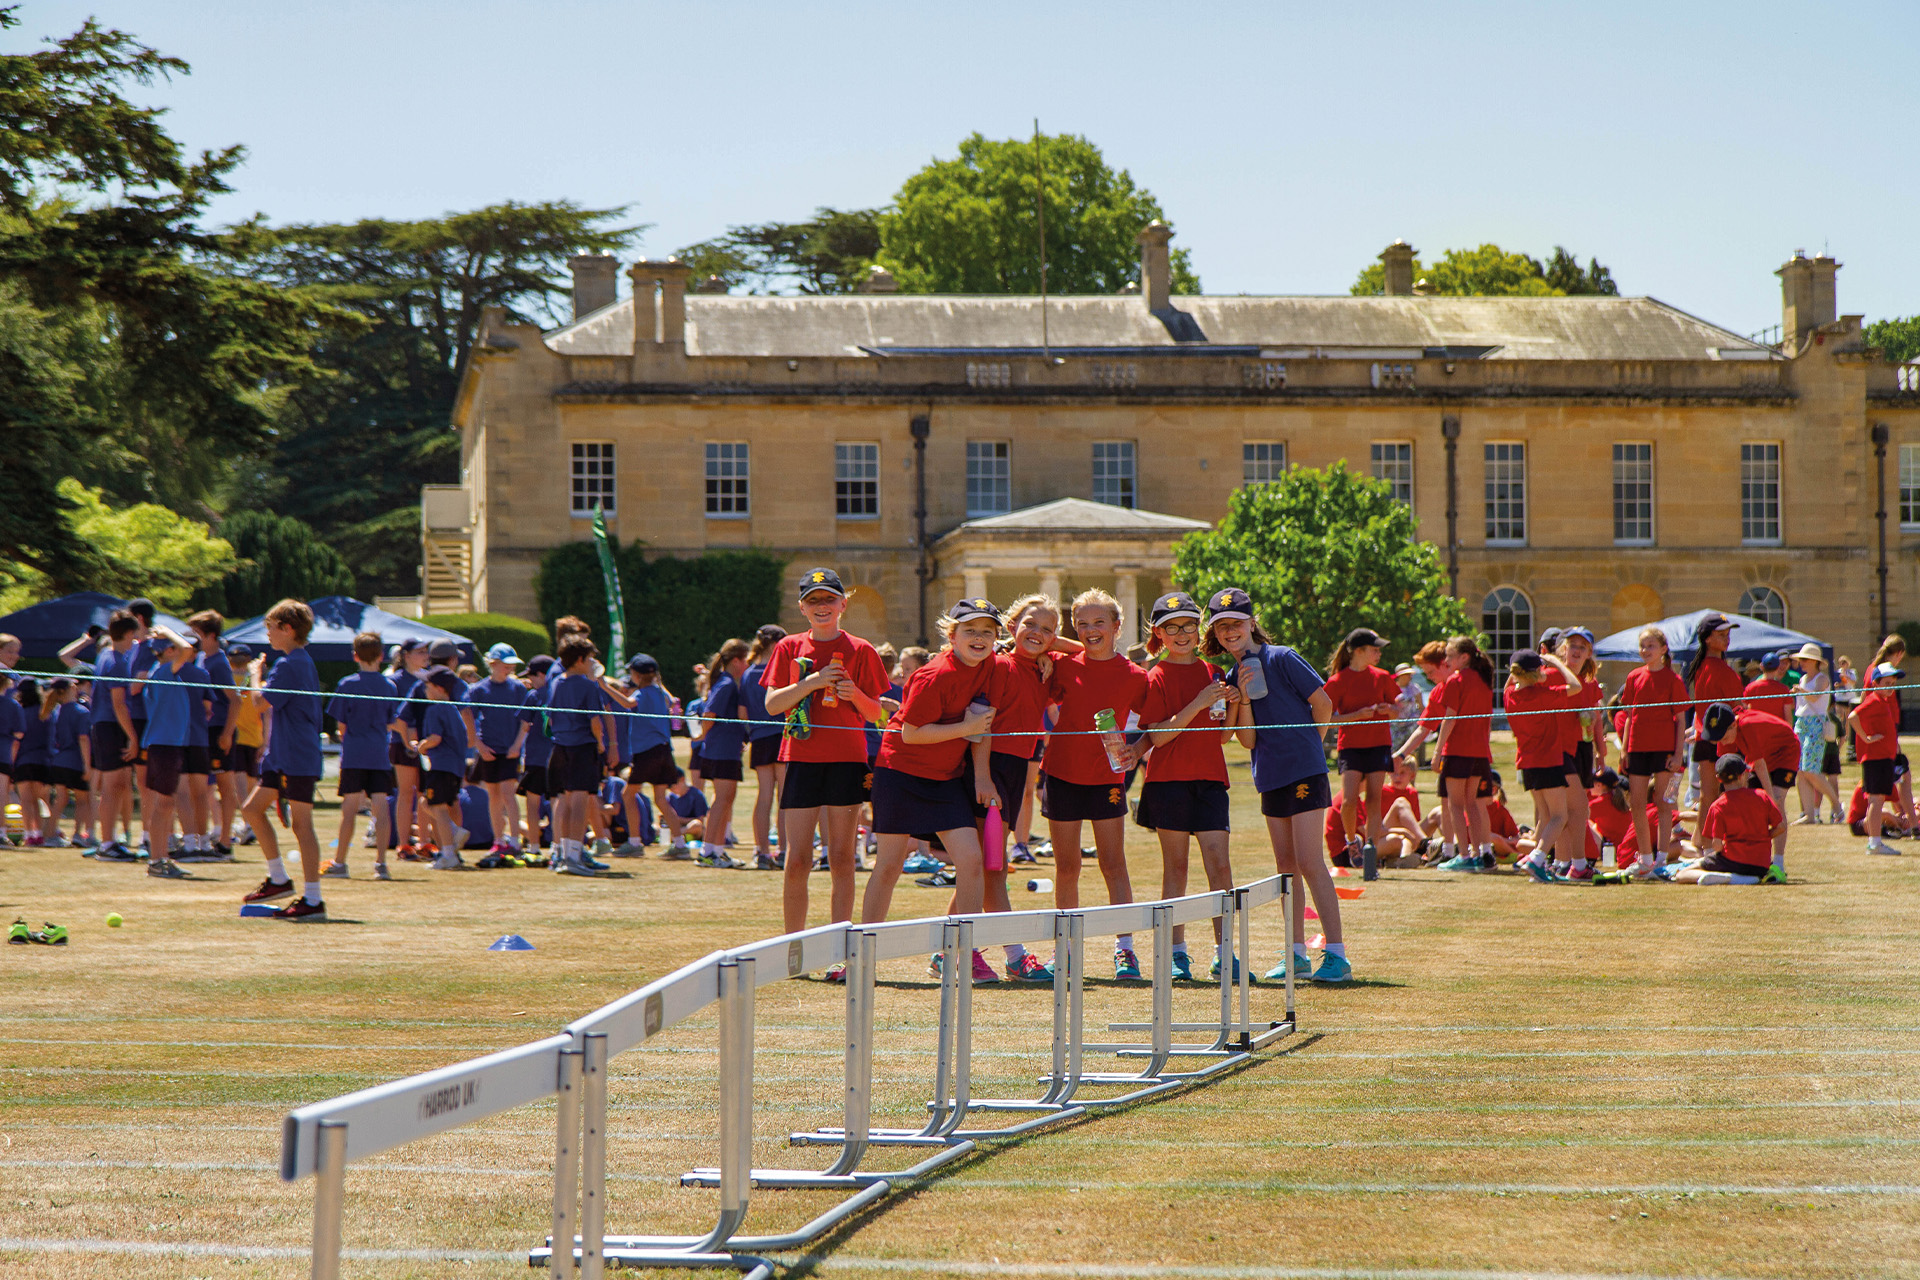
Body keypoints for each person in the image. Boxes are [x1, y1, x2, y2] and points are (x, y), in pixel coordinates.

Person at [1211, 587, 1349, 983]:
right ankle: (1295, 954)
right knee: (1286, 869)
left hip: (1304, 772)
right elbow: (1248, 740)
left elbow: (1323, 704)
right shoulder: (1234, 674)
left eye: (1235, 623)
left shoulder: (1282, 656)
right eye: (1222, 627)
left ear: (1252, 623)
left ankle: (1337, 955)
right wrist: (1244, 700)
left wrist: (1309, 745)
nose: (1229, 632)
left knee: (1310, 862)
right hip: (1268, 777)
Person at [860, 599, 1000, 979]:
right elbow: (910, 734)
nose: (979, 638)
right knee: (889, 866)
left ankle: (961, 954)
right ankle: (862, 955)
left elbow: (982, 723)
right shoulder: (932, 675)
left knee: (971, 862)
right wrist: (966, 730)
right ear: (951, 635)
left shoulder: (990, 667)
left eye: (987, 631)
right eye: (970, 630)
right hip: (899, 773)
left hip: (946, 779)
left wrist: (982, 777)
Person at [763, 568, 891, 954]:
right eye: (813, 600)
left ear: (843, 604)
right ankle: (794, 947)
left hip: (846, 761)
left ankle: (840, 945)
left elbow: (875, 715)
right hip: (800, 759)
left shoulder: (862, 650)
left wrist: (854, 694)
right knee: (798, 857)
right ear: (802, 607)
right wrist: (813, 682)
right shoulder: (788, 647)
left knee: (841, 857)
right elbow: (772, 705)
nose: (822, 607)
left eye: (829, 599)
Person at [1041, 589, 1149, 980]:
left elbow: (1154, 723)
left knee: (1113, 865)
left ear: (1117, 626)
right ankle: (1065, 951)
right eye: (1082, 623)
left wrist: (1136, 751)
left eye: (1099, 622)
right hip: (1062, 774)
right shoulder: (1062, 665)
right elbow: (1044, 644)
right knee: (1066, 867)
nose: (1090, 630)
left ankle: (1125, 951)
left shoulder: (1136, 675)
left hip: (1107, 778)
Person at [1135, 592, 1242, 981]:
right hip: (1168, 783)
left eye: (1188, 625)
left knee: (1220, 867)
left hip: (1211, 780)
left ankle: (1224, 952)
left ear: (1199, 630)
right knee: (1175, 870)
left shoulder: (1215, 672)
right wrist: (1198, 702)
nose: (1181, 633)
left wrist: (1233, 702)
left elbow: (1224, 736)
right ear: (1159, 634)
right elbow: (1158, 738)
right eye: (1171, 627)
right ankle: (1175, 953)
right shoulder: (1156, 676)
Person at [967, 594, 1063, 980]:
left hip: (1012, 770)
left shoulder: (1041, 669)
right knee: (989, 868)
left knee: (985, 867)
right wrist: (982, 776)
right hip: (988, 770)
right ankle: (1013, 955)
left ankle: (951, 950)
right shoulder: (1001, 666)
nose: (1037, 633)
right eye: (1029, 624)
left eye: (1048, 629)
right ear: (1011, 626)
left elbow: (1084, 649)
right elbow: (981, 725)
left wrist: (1044, 647)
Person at [239, 600, 328, 920]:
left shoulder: (291, 664)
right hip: (283, 756)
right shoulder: (296, 661)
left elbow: (260, 702)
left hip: (297, 757)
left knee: (302, 826)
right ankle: (278, 879)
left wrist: (254, 674)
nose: (268, 635)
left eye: (271, 628)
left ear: (288, 629)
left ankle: (313, 900)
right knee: (251, 809)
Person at [132, 627, 210, 879]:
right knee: (164, 804)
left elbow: (186, 650)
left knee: (165, 804)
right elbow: (188, 649)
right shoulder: (164, 671)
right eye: (174, 647)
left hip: (168, 745)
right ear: (168, 651)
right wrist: (169, 631)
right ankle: (157, 859)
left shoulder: (165, 673)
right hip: (164, 745)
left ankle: (161, 857)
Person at [326, 631, 401, 880]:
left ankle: (340, 863)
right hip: (379, 755)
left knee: (348, 809)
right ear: (381, 656)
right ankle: (381, 864)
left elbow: (341, 726)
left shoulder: (347, 684)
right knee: (381, 807)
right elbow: (391, 721)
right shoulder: (389, 686)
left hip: (354, 756)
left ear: (355, 656)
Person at [1504, 649, 1584, 883]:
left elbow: (1511, 683)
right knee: (1560, 816)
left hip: (1527, 764)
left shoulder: (1509, 695)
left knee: (1546, 815)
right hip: (1548, 761)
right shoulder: (1542, 695)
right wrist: (1557, 664)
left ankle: (1538, 863)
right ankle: (1536, 859)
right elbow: (1575, 686)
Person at [1322, 627, 1398, 868]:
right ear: (1358, 651)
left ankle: (1371, 848)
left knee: (1375, 798)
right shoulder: (1337, 681)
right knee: (1349, 800)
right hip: (1351, 747)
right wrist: (1354, 716)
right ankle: (1351, 840)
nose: (1378, 654)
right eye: (1374, 650)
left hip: (1379, 744)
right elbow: (1324, 718)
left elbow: (1397, 710)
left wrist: (1389, 710)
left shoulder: (1382, 676)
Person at [1619, 624, 1688, 880]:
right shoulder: (1633, 676)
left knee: (1664, 802)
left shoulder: (1673, 679)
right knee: (1636, 803)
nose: (1645, 650)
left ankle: (1660, 859)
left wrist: (1678, 754)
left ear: (1663, 649)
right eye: (1642, 646)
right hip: (1638, 747)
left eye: (1651, 645)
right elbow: (1628, 715)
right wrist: (1624, 749)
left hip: (1664, 748)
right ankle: (1645, 859)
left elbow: (1681, 720)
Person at [545, 635, 616, 876]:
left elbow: (550, 716)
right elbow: (595, 720)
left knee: (565, 801)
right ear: (579, 660)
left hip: (560, 748)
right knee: (579, 803)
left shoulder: (556, 682)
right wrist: (601, 744)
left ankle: (565, 855)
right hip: (581, 747)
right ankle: (573, 857)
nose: (592, 662)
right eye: (590, 658)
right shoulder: (587, 685)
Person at [1669, 754, 1786, 884]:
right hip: (1761, 864)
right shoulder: (1762, 796)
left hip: (1732, 860)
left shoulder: (1718, 805)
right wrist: (1763, 837)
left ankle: (1730, 878)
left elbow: (1717, 845)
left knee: (1682, 874)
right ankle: (1746, 878)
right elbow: (1780, 827)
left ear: (1718, 779)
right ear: (1742, 776)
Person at [1434, 636, 1498, 872]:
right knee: (1472, 804)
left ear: (1464, 657)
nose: (1447, 660)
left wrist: (1438, 751)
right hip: (1479, 752)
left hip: (1459, 751)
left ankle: (1463, 855)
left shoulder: (1456, 681)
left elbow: (1449, 718)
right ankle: (1483, 852)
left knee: (1456, 805)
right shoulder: (1483, 681)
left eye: (1450, 656)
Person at [1392, 641, 1458, 862]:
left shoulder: (1465, 682)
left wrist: (1437, 753)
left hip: (1469, 754)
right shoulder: (1439, 690)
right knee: (1448, 806)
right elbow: (1424, 728)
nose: (1428, 677)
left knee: (1470, 806)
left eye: (1431, 671)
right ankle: (1450, 852)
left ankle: (1477, 852)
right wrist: (1401, 755)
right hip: (1451, 754)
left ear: (1446, 664)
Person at [466, 643, 531, 862]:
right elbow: (468, 719)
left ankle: (515, 841)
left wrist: (517, 746)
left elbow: (525, 721)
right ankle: (498, 840)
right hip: (489, 751)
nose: (510, 668)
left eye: (513, 665)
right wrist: (480, 747)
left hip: (510, 751)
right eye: (506, 664)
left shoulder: (519, 689)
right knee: (493, 795)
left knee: (508, 793)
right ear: (493, 664)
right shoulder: (478, 690)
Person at [86, 610, 143, 859]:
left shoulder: (107, 655)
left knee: (118, 785)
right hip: (110, 726)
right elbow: (119, 704)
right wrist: (133, 736)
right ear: (129, 633)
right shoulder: (116, 661)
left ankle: (110, 840)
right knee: (111, 787)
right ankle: (107, 844)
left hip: (107, 726)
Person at [189, 612, 242, 861]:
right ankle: (210, 836)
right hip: (203, 730)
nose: (194, 640)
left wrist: (227, 733)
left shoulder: (219, 663)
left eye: (198, 634)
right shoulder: (202, 659)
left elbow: (235, 700)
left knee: (224, 786)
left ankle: (224, 841)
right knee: (203, 787)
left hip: (218, 730)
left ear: (211, 635)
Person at [694, 639, 751, 868]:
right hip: (721, 751)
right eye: (746, 660)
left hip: (727, 749)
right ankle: (707, 852)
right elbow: (709, 714)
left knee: (726, 800)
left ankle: (717, 851)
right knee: (721, 801)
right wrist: (706, 737)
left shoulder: (728, 682)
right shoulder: (726, 683)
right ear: (736, 660)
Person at [1684, 613, 1743, 819]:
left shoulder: (1701, 667)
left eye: (1728, 634)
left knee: (1707, 795)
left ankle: (1701, 840)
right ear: (1707, 638)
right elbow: (1738, 707)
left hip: (1704, 736)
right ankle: (1709, 841)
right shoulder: (1719, 670)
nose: (1727, 638)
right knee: (1723, 794)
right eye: (1721, 634)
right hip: (1722, 738)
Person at [414, 666, 472, 866]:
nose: (424, 690)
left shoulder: (434, 709)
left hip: (440, 767)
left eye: (427, 685)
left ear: (439, 688)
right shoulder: (454, 710)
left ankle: (448, 854)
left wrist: (422, 746)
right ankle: (453, 837)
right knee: (429, 803)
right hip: (454, 768)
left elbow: (435, 738)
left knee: (436, 807)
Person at [740, 625, 787, 869]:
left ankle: (761, 851)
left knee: (764, 795)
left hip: (759, 738)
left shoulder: (748, 674)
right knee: (783, 797)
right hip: (781, 735)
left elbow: (742, 712)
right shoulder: (780, 671)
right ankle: (783, 850)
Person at [386, 639, 432, 860]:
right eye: (420, 652)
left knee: (425, 794)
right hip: (401, 745)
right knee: (405, 794)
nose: (425, 656)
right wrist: (407, 736)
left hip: (428, 746)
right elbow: (389, 718)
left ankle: (425, 843)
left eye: (426, 652)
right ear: (405, 655)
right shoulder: (393, 681)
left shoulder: (429, 680)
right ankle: (404, 844)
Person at [1852, 661, 1904, 856]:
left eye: (1893, 683)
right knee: (1876, 800)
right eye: (1887, 683)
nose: (1891, 687)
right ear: (1876, 683)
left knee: (1878, 800)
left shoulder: (1883, 702)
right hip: (1876, 758)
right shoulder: (1874, 700)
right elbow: (1852, 717)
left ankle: (1875, 842)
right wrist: (1866, 738)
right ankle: (1874, 844)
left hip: (1883, 758)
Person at [1786, 643, 1840, 823]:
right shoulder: (1803, 680)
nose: (1801, 663)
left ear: (1815, 662)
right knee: (1801, 772)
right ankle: (1808, 814)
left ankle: (1836, 805)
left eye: (1805, 660)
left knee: (1811, 770)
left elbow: (1815, 696)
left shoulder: (1822, 678)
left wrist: (1800, 690)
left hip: (1816, 725)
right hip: (1801, 723)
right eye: (1800, 660)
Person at [516, 655, 556, 856]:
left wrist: (515, 749)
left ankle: (533, 847)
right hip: (557, 756)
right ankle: (559, 846)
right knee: (558, 802)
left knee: (533, 804)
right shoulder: (561, 692)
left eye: (532, 676)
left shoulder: (534, 696)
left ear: (541, 674)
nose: (530, 681)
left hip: (536, 758)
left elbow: (524, 726)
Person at [662, 767, 709, 842]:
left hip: (690, 829)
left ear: (682, 779)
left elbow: (700, 820)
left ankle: (676, 835)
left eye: (672, 785)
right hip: (676, 826)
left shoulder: (696, 794)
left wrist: (679, 820)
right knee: (655, 828)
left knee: (696, 825)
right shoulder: (671, 797)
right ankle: (675, 835)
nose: (671, 789)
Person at [1745, 653, 1793, 722]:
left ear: (1761, 666)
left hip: (1757, 730)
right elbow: (1788, 718)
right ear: (1777, 667)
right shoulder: (1783, 689)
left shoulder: (1751, 688)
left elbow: (1746, 711)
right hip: (1778, 730)